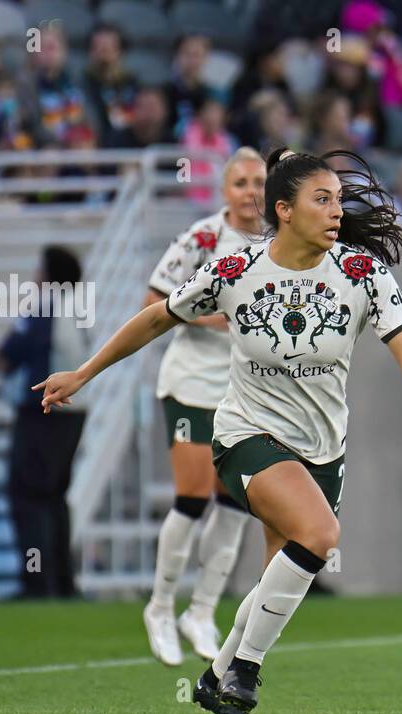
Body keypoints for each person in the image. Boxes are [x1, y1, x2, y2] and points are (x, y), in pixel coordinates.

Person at [34, 148, 402, 714]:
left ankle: (213, 679)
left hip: (323, 448)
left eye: (338, 198)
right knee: (319, 533)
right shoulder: (234, 270)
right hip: (246, 435)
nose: (338, 210)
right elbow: (157, 317)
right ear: (283, 210)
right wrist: (84, 372)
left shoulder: (362, 272)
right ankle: (245, 671)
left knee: (276, 575)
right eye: (322, 198)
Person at [138, 146, 266, 665]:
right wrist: (212, 317)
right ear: (224, 191)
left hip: (244, 391)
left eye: (260, 181)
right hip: (191, 384)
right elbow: (153, 304)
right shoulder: (203, 238)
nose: (252, 191)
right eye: (241, 182)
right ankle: (161, 606)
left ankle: (203, 611)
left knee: (236, 503)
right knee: (192, 496)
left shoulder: (279, 246)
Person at [0, 247, 90, 600]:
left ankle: (35, 583)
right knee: (54, 497)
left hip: (44, 411)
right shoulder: (78, 305)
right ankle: (63, 583)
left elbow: (13, 354)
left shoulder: (46, 305)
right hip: (74, 412)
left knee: (28, 496)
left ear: (49, 274)